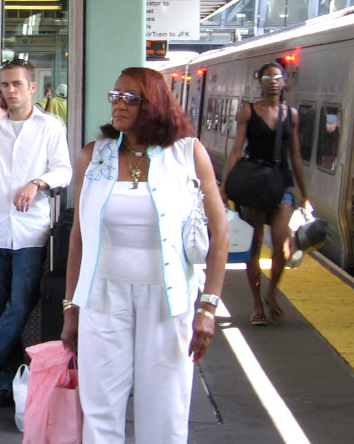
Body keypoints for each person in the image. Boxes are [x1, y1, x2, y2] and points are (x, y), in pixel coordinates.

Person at [61, 67, 229, 443]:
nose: (118, 105)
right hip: (103, 296)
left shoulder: (187, 154)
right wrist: (71, 308)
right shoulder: (95, 155)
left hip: (168, 301)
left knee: (164, 406)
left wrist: (208, 307)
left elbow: (221, 234)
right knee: (99, 405)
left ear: (154, 105)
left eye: (130, 98)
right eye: (115, 95)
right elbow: (79, 238)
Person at [0, 58, 72, 406]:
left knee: (20, 306)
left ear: (32, 87)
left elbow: (64, 170)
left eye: (17, 84)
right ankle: (5, 383)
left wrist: (37, 183)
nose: (11, 90)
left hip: (30, 232)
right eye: (6, 84)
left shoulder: (50, 126)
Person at [221, 61, 309, 325]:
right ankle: (257, 303)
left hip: (280, 183)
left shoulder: (290, 115)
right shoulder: (248, 112)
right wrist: (224, 186)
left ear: (284, 83)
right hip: (254, 185)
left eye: (277, 77)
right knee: (254, 245)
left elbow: (295, 155)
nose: (272, 81)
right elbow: (236, 149)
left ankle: (272, 293)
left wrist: (305, 193)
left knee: (281, 244)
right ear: (260, 82)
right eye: (267, 77)